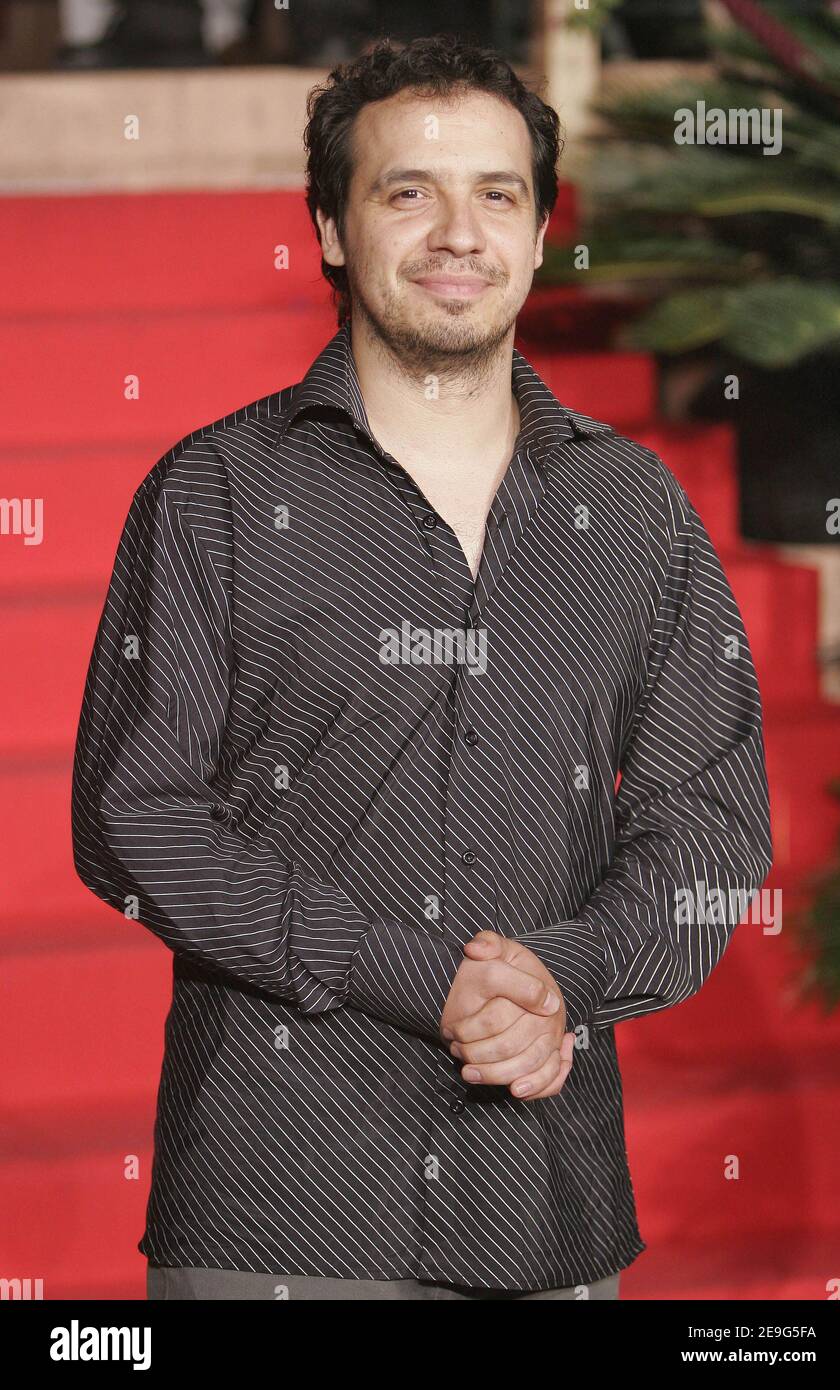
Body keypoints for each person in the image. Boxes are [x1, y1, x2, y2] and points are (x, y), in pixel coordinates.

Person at [71, 33, 773, 1300]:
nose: (459, 231)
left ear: (541, 228)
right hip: (276, 1198)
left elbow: (710, 824)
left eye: (495, 194)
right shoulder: (216, 493)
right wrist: (413, 974)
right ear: (333, 231)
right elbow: (135, 819)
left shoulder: (633, 508)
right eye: (410, 192)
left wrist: (568, 971)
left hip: (544, 1200)